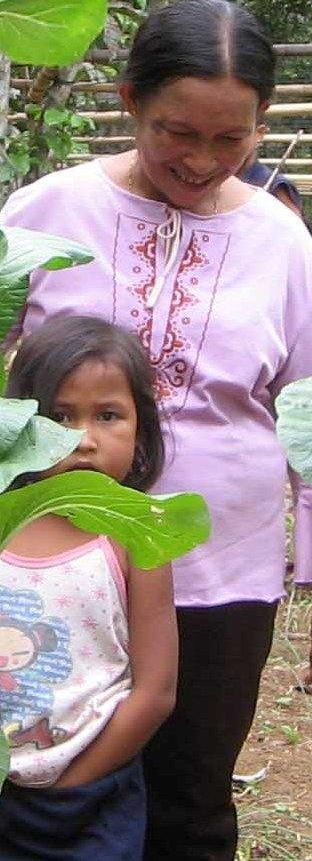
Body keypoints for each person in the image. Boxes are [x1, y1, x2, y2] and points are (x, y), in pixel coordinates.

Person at [0, 0, 312, 860]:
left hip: (219, 572)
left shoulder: (282, 244)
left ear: (261, 124)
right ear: (130, 101)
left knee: (194, 803)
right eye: (176, 131)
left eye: (230, 138)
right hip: (55, 567)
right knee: (39, 786)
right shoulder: (44, 213)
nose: (201, 160)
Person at [0, 315, 175, 860]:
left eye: (108, 416)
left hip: (94, 793)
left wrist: (78, 779)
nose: (84, 440)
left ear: (141, 429)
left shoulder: (138, 535)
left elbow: (155, 692)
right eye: (59, 417)